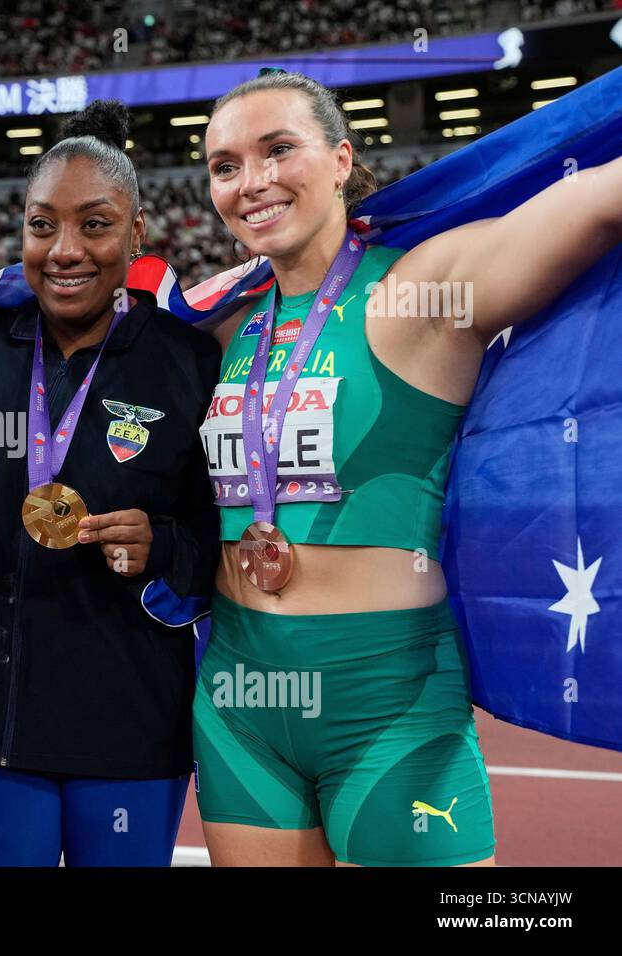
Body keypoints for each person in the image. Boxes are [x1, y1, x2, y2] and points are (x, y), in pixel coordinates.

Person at [192, 70, 622, 866]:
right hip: (238, 696)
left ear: (340, 159)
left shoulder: (420, 290)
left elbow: (598, 199)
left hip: (386, 696)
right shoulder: (222, 328)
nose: (252, 181)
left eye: (278, 149)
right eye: (225, 165)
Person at [0, 100, 221, 866]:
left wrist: (165, 546)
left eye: (95, 224)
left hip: (127, 724)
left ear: (137, 231)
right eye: (41, 224)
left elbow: (223, 536)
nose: (64, 251)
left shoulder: (186, 366)